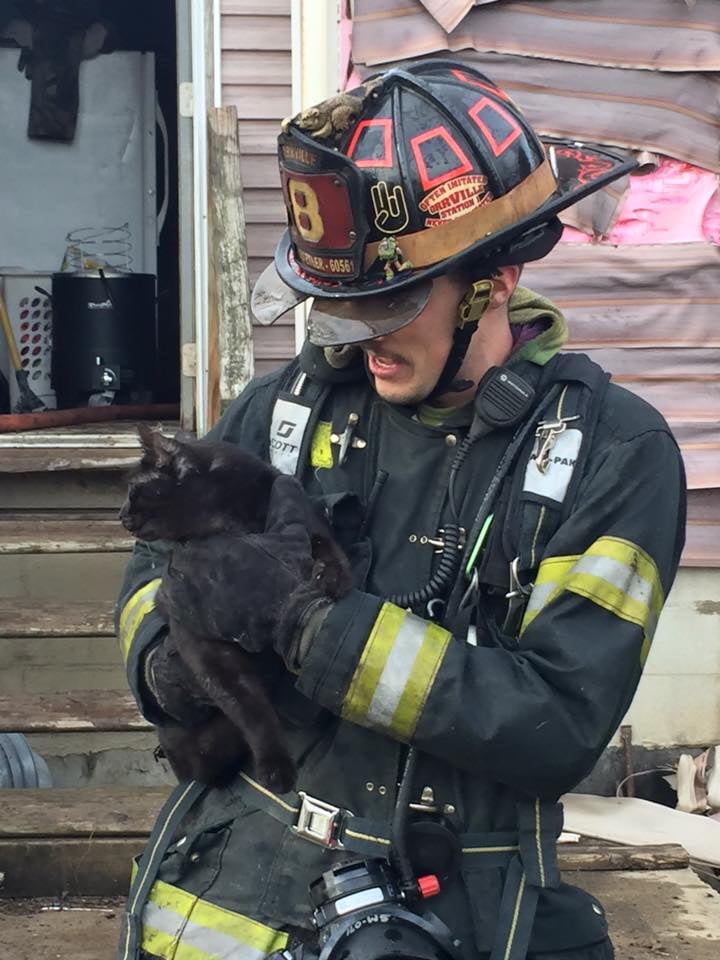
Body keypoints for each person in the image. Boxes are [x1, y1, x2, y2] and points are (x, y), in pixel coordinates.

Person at [116, 60, 686, 960]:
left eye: (389, 302)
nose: (359, 335)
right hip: (229, 871)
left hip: (453, 893)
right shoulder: (285, 410)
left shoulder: (612, 455)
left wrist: (309, 628)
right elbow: (150, 576)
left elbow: (559, 725)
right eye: (338, 305)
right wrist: (169, 666)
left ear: (496, 279)